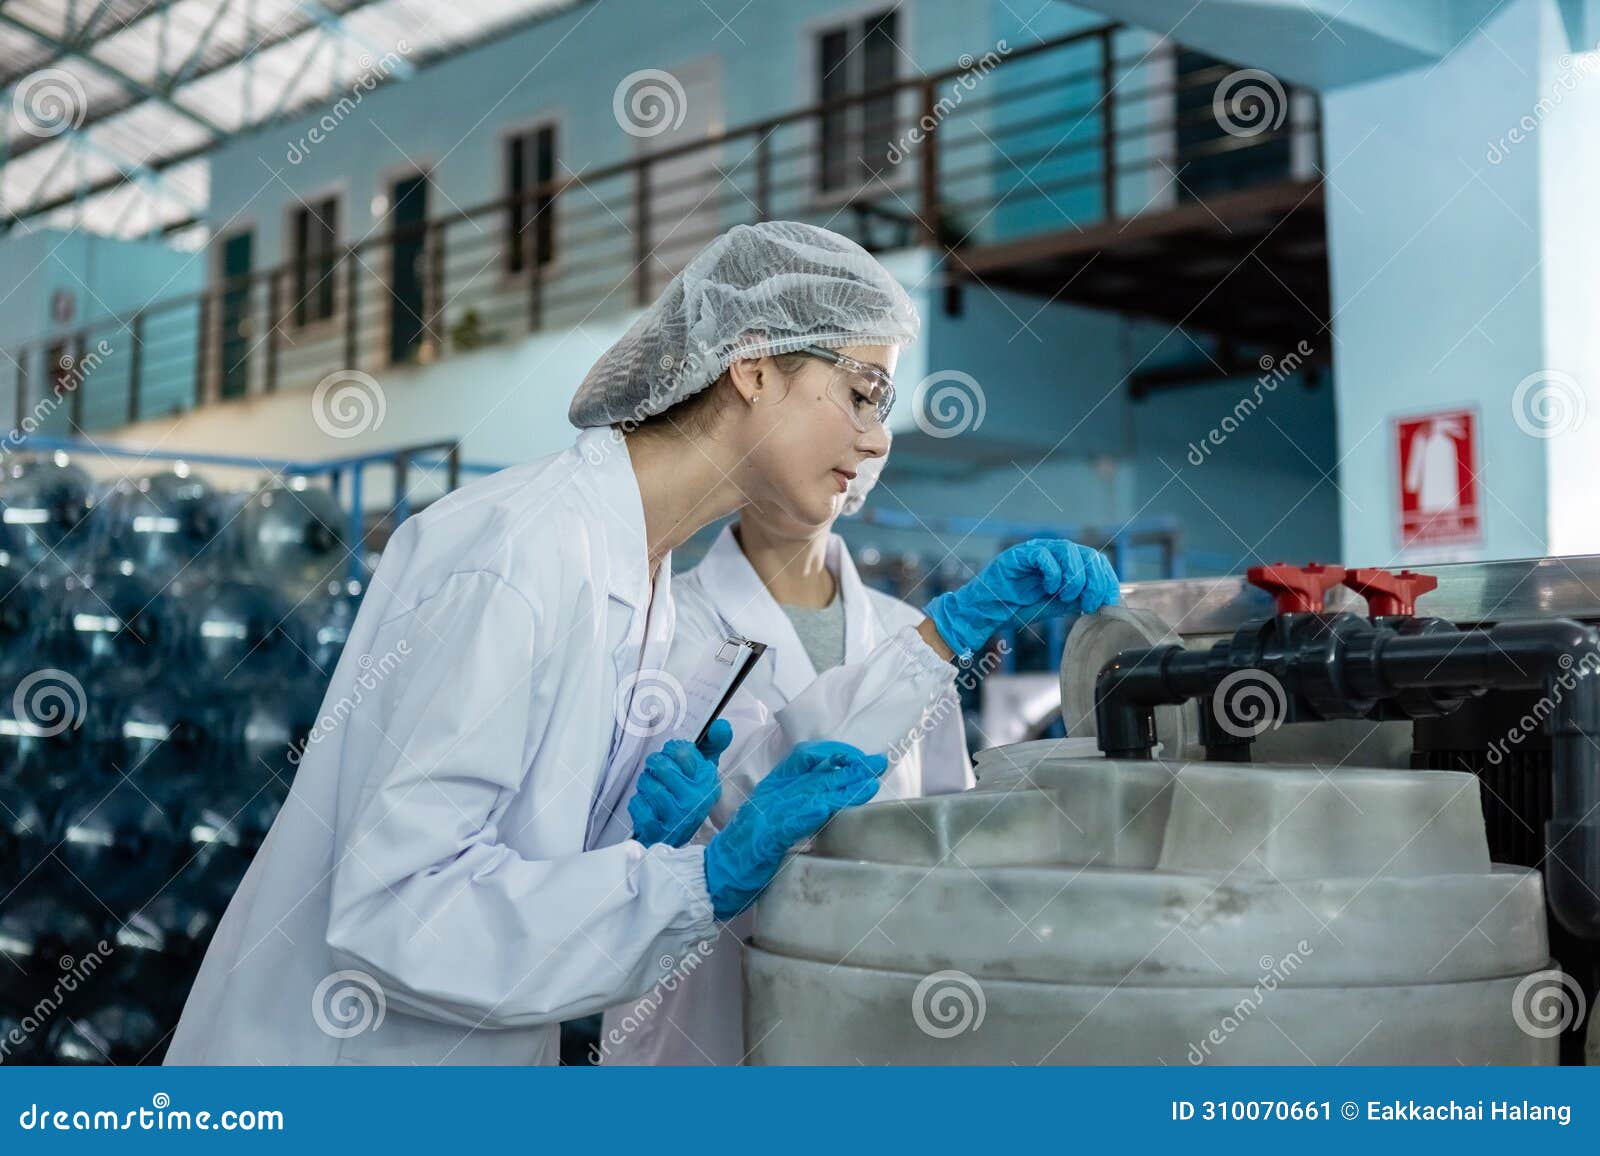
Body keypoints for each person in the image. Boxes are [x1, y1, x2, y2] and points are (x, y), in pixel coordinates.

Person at [164, 221, 1118, 1065]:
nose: (876, 441)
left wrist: (628, 835)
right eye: (863, 392)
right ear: (752, 366)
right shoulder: (521, 553)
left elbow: (515, 852)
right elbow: (397, 914)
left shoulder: (640, 571)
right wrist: (693, 879)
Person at [597, 431, 976, 1064]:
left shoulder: (909, 634)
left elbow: (949, 832)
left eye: (867, 400)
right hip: (697, 1028)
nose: (855, 431)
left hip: (876, 1010)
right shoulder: (658, 621)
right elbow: (596, 852)